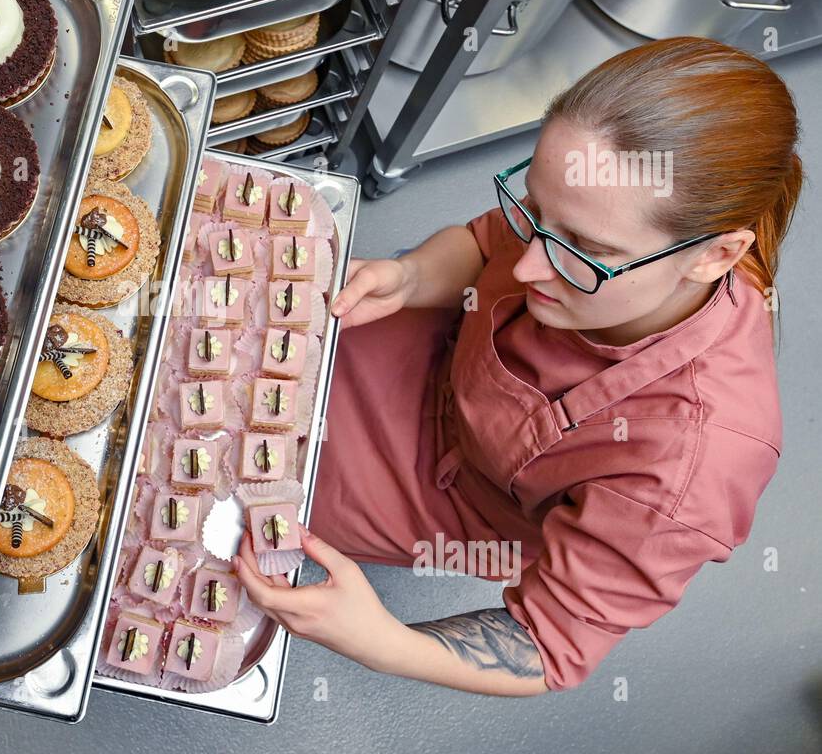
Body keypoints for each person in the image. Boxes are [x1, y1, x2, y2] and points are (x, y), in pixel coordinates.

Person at [235, 37, 802, 695]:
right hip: (421, 347)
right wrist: (413, 275)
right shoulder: (594, 210)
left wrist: (383, 641)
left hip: (427, 490)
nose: (529, 265)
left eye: (582, 253)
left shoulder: (692, 467)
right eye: (534, 212)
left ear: (714, 257)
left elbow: (545, 645)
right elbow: (483, 244)